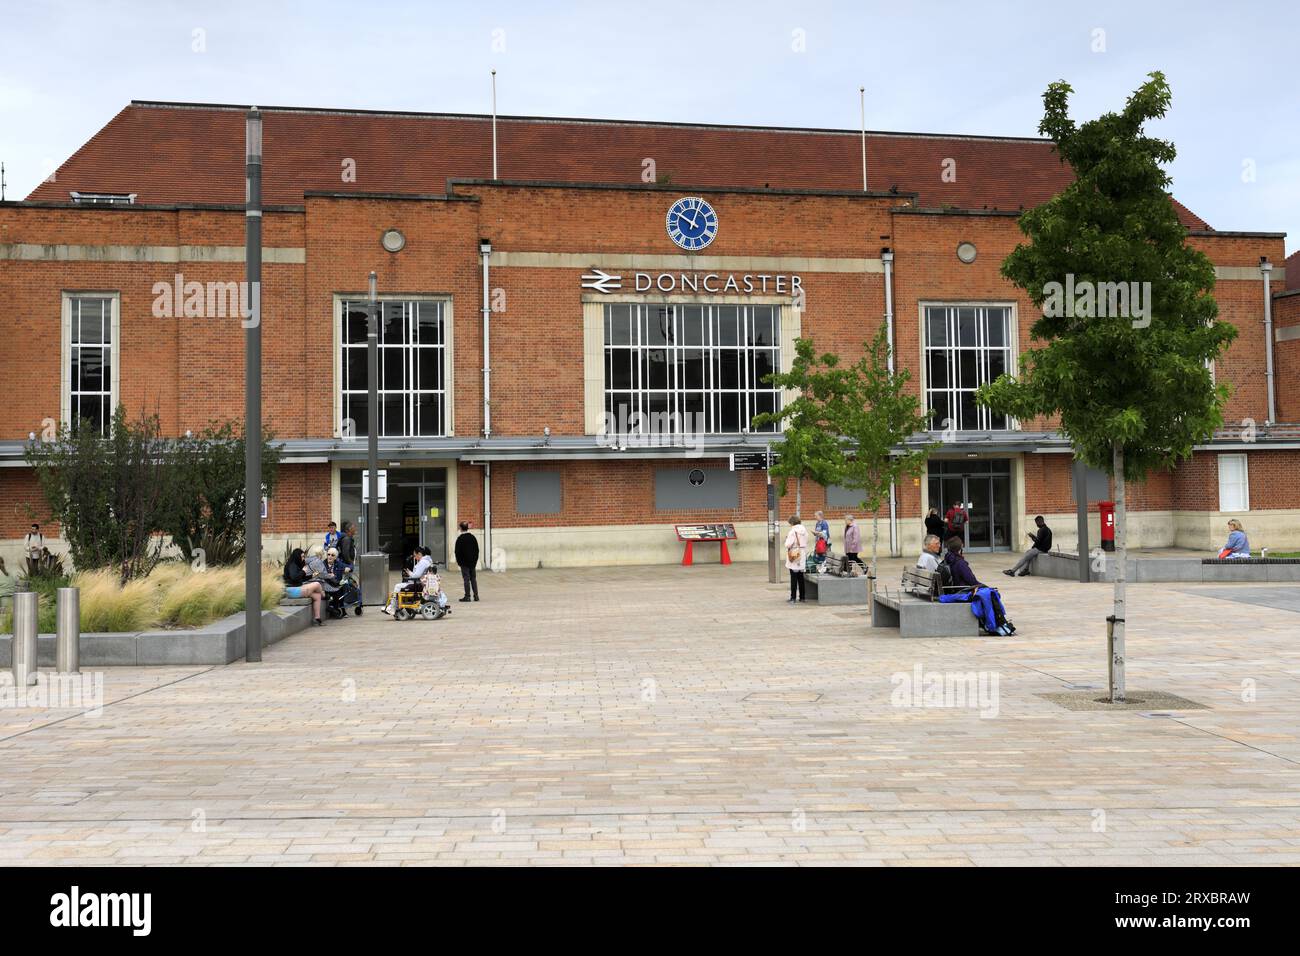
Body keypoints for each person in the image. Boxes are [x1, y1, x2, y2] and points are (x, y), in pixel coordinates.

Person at [942, 537, 1015, 636]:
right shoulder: (960, 563)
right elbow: (972, 581)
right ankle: (997, 623)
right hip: (963, 591)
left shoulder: (947, 559)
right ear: (960, 548)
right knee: (990, 593)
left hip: (954, 590)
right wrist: (984, 586)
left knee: (987, 591)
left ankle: (996, 622)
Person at [283, 547, 327, 627]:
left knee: (317, 596)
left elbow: (301, 578)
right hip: (292, 590)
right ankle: (324, 594)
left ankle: (317, 618)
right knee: (317, 584)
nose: (303, 558)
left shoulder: (296, 565)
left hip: (297, 589)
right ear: (297, 556)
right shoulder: (292, 565)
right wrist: (303, 571)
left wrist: (311, 576)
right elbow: (294, 577)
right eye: (302, 556)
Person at [384, 546, 433, 615]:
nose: (414, 557)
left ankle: (393, 607)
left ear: (419, 554)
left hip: (417, 584)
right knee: (399, 586)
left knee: (397, 586)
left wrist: (409, 573)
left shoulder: (423, 562)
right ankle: (393, 605)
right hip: (420, 583)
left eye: (415, 555)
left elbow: (416, 576)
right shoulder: (427, 561)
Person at [337, 522, 362, 614]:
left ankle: (346, 604)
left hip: (348, 566)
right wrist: (350, 564)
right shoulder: (347, 539)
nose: (355, 529)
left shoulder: (348, 539)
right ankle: (343, 607)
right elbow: (345, 554)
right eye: (353, 527)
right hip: (346, 567)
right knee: (346, 585)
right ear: (348, 530)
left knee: (349, 584)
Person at [784, 515, 809, 604]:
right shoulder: (804, 530)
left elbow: (787, 544)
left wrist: (786, 539)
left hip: (794, 553)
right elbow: (806, 541)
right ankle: (802, 597)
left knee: (793, 577)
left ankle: (793, 597)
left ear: (792, 523)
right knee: (801, 577)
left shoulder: (792, 531)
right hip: (802, 553)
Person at [454, 521, 480, 602]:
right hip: (472, 562)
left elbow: (457, 552)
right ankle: (476, 596)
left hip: (464, 563)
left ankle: (467, 596)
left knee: (466, 579)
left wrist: (459, 562)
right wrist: (475, 560)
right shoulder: (472, 537)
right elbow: (477, 550)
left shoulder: (460, 539)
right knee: (473, 578)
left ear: (461, 528)